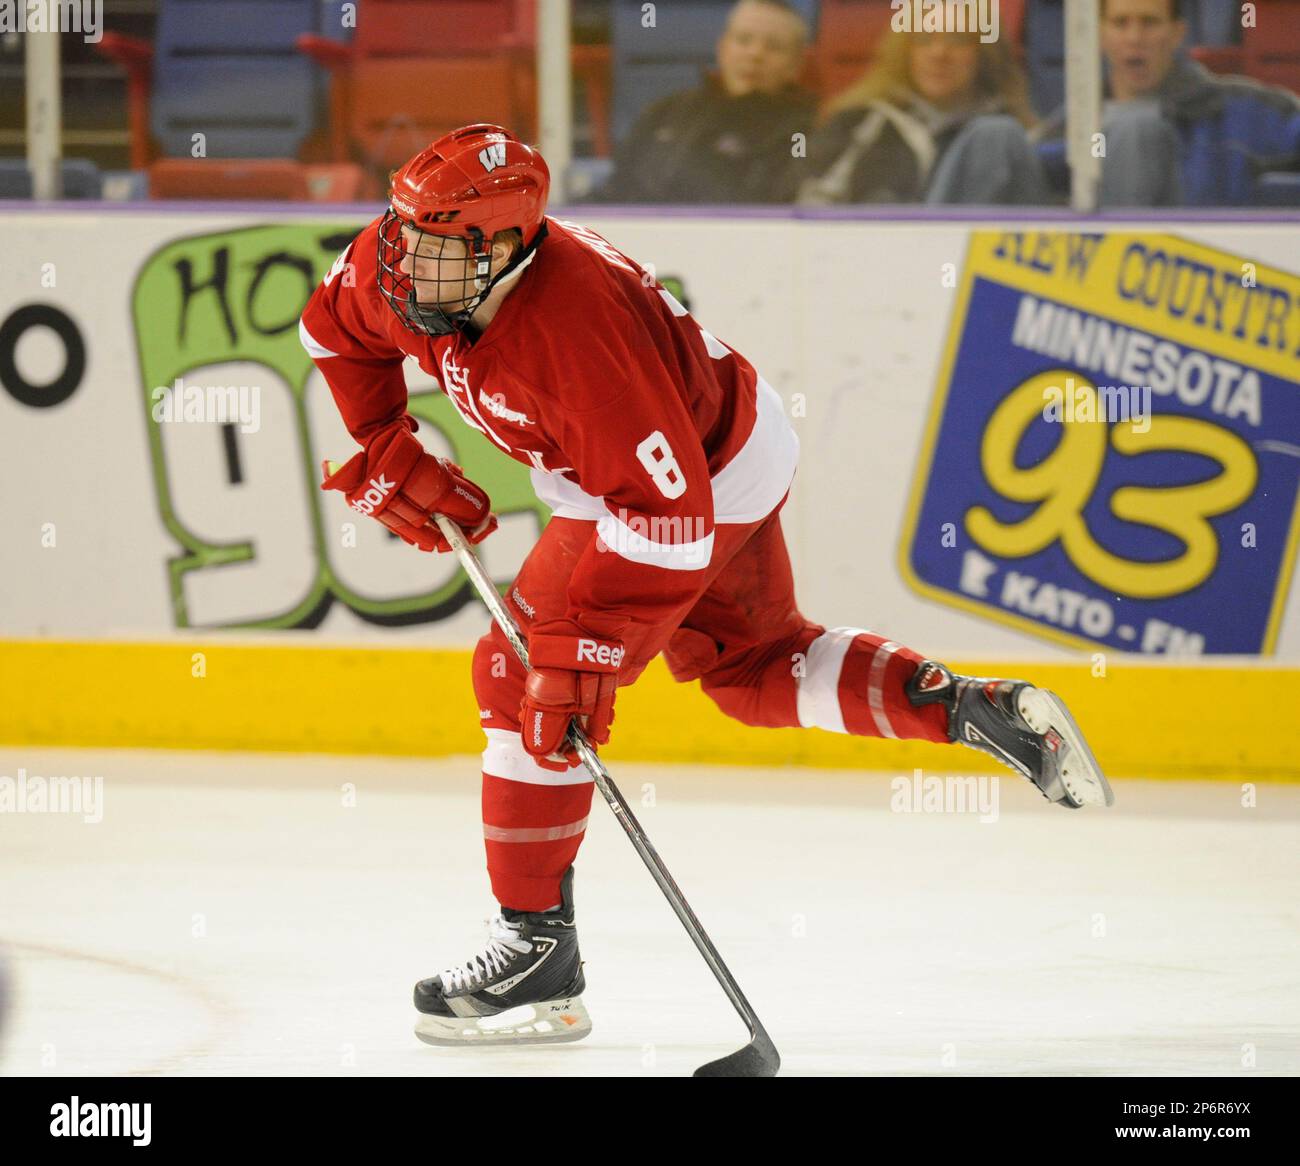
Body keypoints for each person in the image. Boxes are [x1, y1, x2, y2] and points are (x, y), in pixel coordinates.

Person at [299, 123, 1113, 1048]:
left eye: (435, 247)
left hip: (691, 481)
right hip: (712, 442)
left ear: (503, 247)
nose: (401, 263)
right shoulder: (405, 263)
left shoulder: (576, 336)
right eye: (402, 231)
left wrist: (584, 653)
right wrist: (383, 442)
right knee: (754, 669)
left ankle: (536, 960)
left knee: (519, 673)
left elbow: (670, 525)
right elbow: (328, 328)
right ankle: (972, 709)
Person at [1038, 0, 1300, 206]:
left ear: (1177, 33)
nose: (1134, 38)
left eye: (1149, 22)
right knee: (999, 137)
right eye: (1120, 23)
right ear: (1101, 34)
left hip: (1223, 267)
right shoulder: (1070, 126)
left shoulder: (1246, 111)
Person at [594, 0, 815, 203]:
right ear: (723, 48)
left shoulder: (805, 132)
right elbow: (615, 189)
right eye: (743, 40)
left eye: (774, 47)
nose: (755, 54)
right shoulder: (667, 112)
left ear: (796, 64)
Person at [799, 28, 1046, 205]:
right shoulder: (857, 122)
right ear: (904, 52)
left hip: (979, 269)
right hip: (874, 262)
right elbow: (807, 208)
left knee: (995, 135)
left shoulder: (1017, 137)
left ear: (985, 54)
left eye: (958, 40)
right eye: (924, 39)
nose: (939, 53)